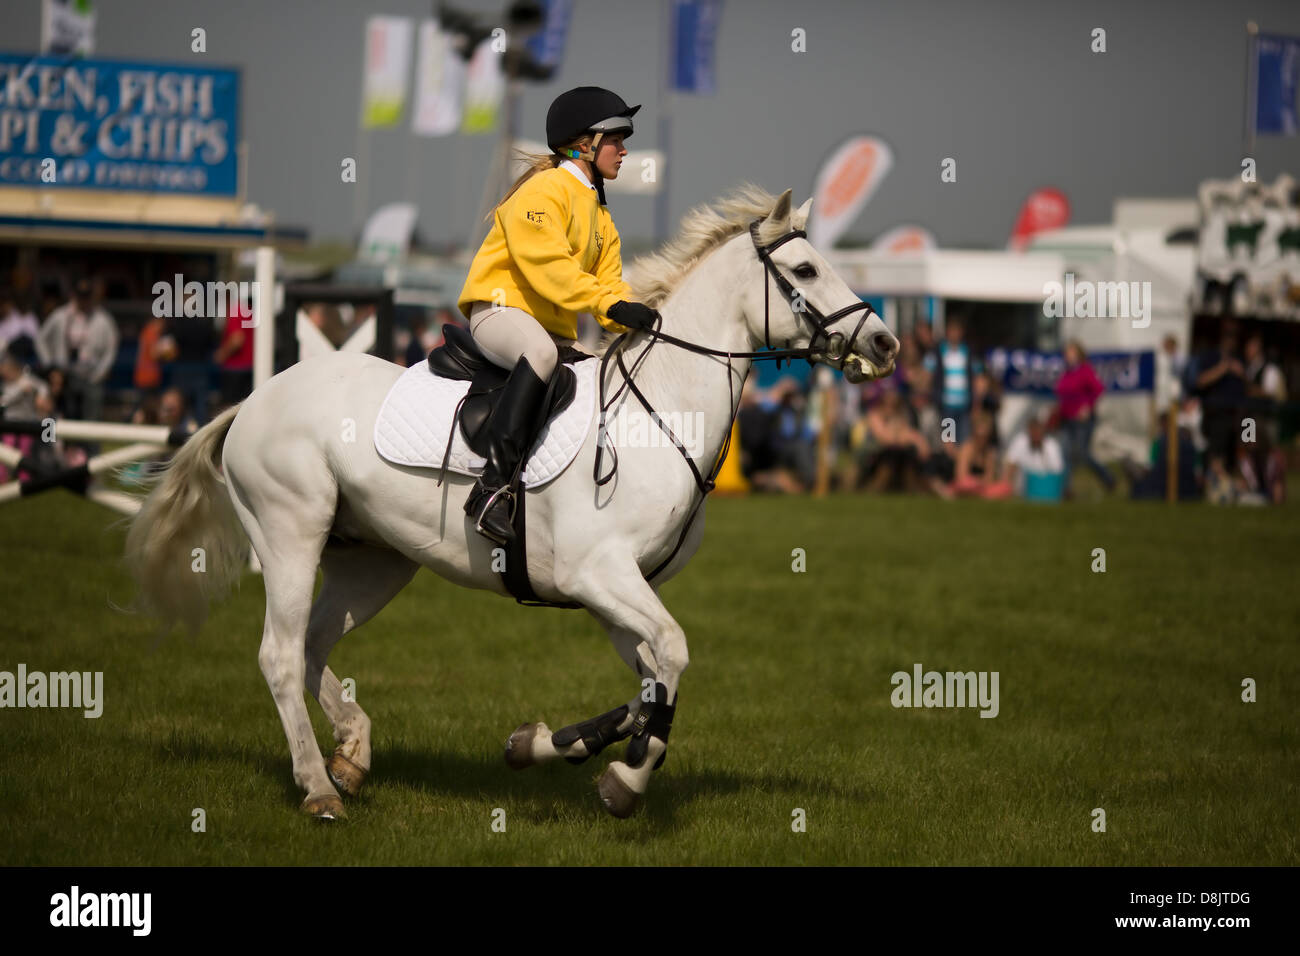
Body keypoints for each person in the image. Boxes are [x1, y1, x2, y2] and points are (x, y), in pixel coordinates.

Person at [455, 86, 656, 544]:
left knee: (599, 374)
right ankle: (490, 489)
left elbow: (610, 288)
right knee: (541, 355)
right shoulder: (543, 191)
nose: (624, 150)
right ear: (583, 145)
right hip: (499, 312)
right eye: (616, 140)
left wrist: (638, 316)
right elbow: (550, 269)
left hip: (552, 330)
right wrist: (609, 305)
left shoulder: (602, 218)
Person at [35, 277, 118, 421]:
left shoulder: (103, 319)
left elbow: (111, 349)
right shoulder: (61, 315)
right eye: (80, 296)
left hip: (90, 376)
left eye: (86, 296)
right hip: (62, 375)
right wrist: (50, 366)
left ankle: (89, 435)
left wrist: (99, 373)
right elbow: (40, 339)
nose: (83, 300)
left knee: (92, 413)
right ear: (73, 295)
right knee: (61, 412)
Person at [1055, 340, 1115, 496]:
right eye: (1066, 352)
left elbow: (1098, 389)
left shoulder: (1085, 370)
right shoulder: (1066, 372)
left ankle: (1107, 477)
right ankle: (1066, 489)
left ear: (1078, 354)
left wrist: (1087, 406)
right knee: (1065, 452)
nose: (1068, 355)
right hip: (1066, 419)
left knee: (1082, 453)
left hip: (1082, 420)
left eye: (1071, 352)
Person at [923, 317, 978, 443]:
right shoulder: (938, 351)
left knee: (964, 441)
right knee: (948, 440)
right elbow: (926, 374)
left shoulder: (968, 351)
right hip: (946, 406)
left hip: (965, 406)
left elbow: (977, 378)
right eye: (952, 331)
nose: (954, 334)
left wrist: (976, 403)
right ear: (947, 332)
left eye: (957, 331)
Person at [951, 410, 1012, 498]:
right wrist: (978, 482)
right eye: (979, 435)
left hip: (981, 487)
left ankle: (979, 494)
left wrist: (980, 483)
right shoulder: (966, 449)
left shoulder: (989, 452)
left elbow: (990, 478)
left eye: (985, 436)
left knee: (1005, 487)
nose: (982, 439)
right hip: (967, 485)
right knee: (965, 484)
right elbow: (961, 476)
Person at [1003, 413, 1065, 500]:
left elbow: (1057, 470)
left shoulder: (1052, 445)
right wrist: (1007, 484)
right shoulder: (1020, 441)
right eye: (1033, 431)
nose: (1036, 435)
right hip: (1023, 486)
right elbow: (1011, 462)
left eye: (1038, 432)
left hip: (1046, 486)